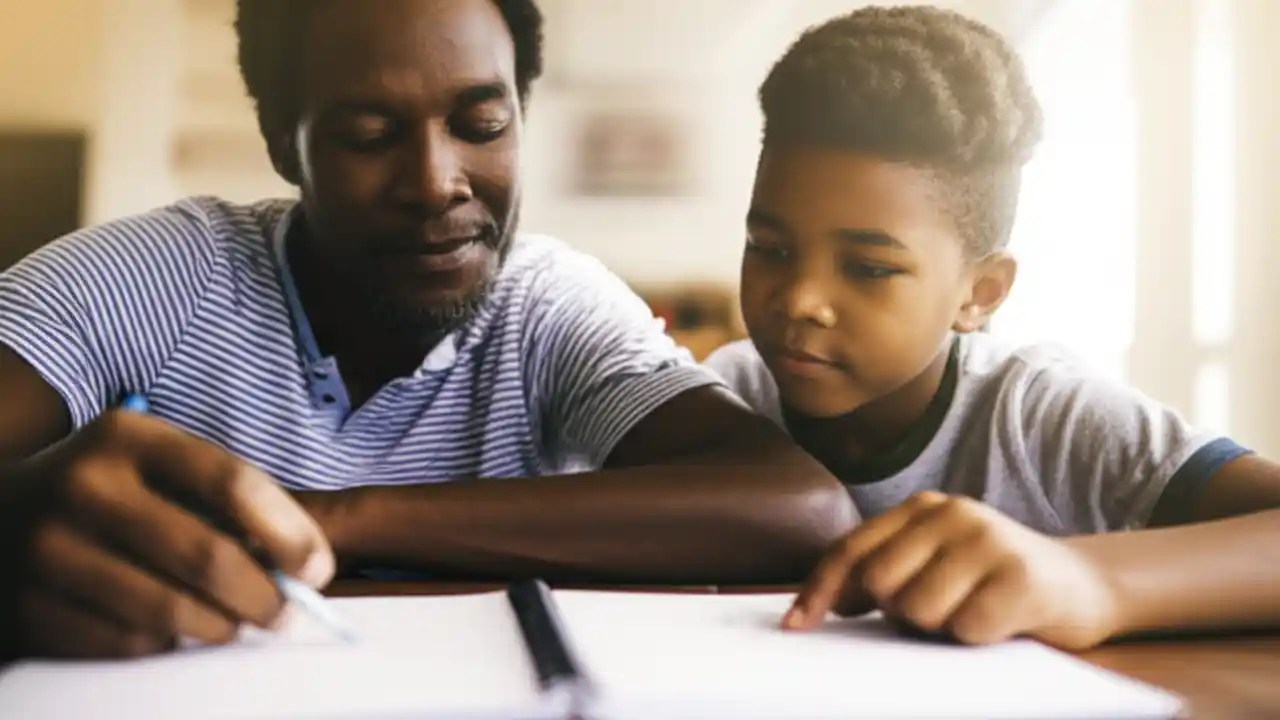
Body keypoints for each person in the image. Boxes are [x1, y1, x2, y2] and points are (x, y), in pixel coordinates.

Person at [0, 0, 854, 660]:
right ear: (282, 145)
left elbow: (801, 509)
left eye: (482, 125)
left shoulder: (550, 305)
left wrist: (338, 521)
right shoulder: (163, 273)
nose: (437, 180)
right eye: (369, 136)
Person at [706, 4, 1280, 651]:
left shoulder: (1046, 419)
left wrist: (1090, 579)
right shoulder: (715, 401)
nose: (801, 300)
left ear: (980, 294)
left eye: (868, 268)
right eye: (771, 248)